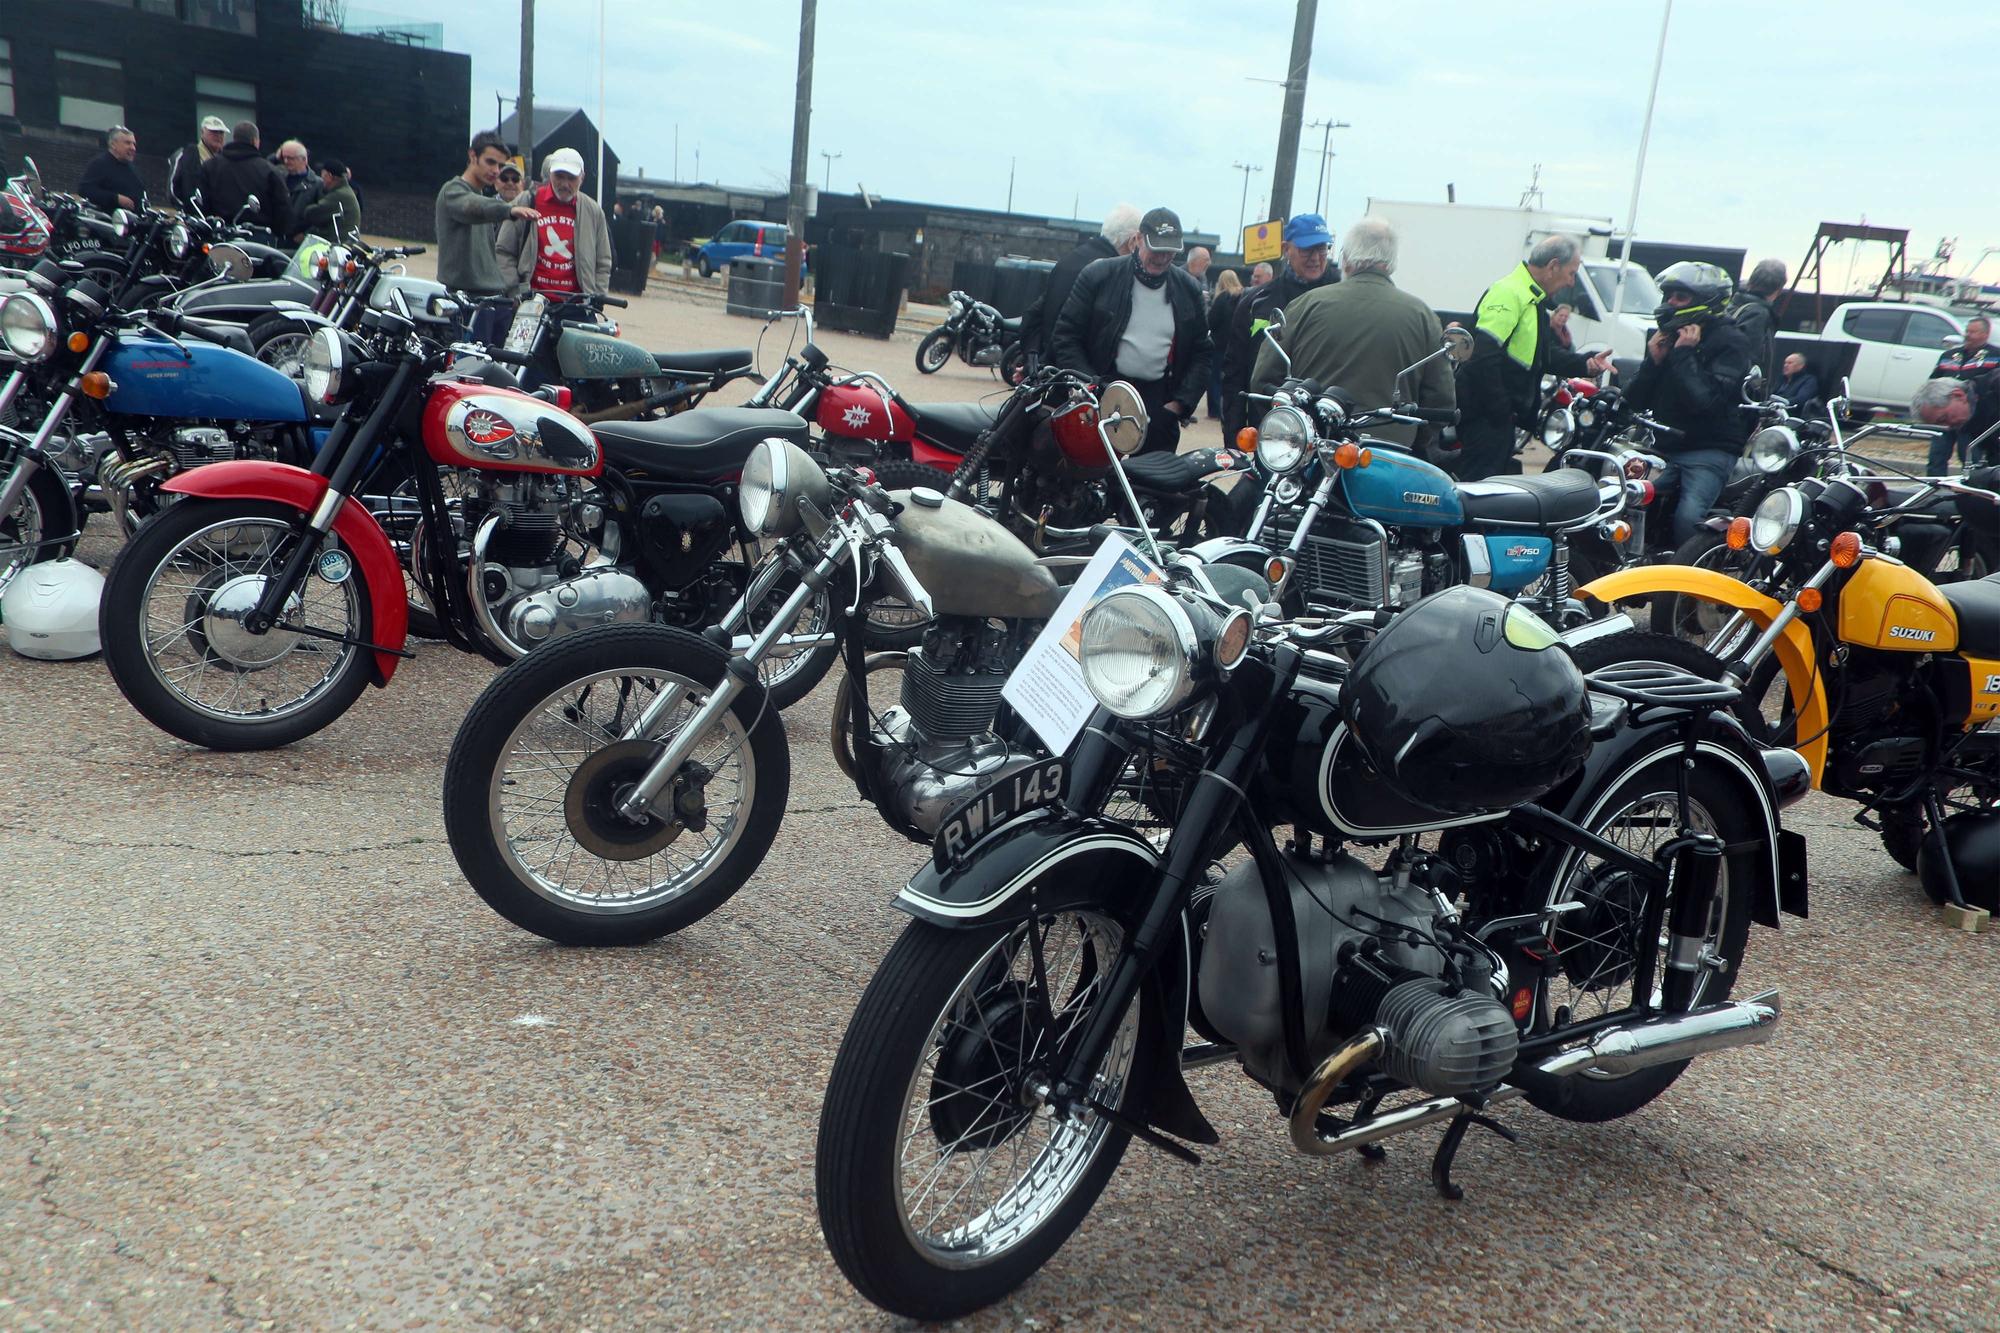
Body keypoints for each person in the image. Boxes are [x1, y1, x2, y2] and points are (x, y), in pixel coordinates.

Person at [1248, 218, 1455, 452]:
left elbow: (1263, 380)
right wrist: (1411, 442)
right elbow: (1441, 402)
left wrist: (1290, 430)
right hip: (1388, 454)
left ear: (1345, 259)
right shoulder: (1423, 316)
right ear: (1392, 263)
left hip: (1310, 452)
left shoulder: (1305, 305)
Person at [1450, 234, 1614, 481]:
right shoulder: (1509, 293)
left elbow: (1542, 356)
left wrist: (1585, 364)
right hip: (1486, 419)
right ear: (1553, 266)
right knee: (1478, 494)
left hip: (1498, 420)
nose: (1571, 283)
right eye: (1571, 273)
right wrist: (1502, 411)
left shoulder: (1532, 298)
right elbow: (1483, 356)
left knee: (1490, 493)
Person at [1050, 206, 1212, 455]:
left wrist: (1179, 405)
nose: (1162, 257)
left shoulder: (1188, 289)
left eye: (1169, 251)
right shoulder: (1099, 275)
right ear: (1137, 239)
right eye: (1156, 249)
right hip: (1103, 391)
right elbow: (1066, 334)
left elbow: (1202, 352)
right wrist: (1089, 386)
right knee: (1088, 482)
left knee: (1150, 489)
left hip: (1158, 403)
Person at [1623, 262, 1754, 544]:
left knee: (1688, 517)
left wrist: (1683, 355)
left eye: (1680, 297)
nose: (1670, 303)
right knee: (1626, 498)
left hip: (1708, 450)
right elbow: (1634, 400)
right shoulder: (1669, 337)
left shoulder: (1731, 342)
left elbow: (1705, 403)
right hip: (1663, 448)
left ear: (1706, 301)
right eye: (1668, 296)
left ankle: (1687, 580)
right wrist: (1654, 363)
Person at [1220, 214, 1342, 444]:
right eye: (1307, 250)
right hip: (1268, 426)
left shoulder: (1343, 300)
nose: (1316, 258)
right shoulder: (1257, 301)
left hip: (1325, 431)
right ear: (1286, 249)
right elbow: (1234, 373)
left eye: (1322, 249)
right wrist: (1234, 435)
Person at [436, 131, 538, 340]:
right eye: (490, 162)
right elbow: (472, 206)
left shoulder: (482, 198)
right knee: (470, 367)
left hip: (494, 300)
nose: (495, 171)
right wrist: (509, 209)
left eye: (499, 165)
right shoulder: (453, 191)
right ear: (473, 156)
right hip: (467, 300)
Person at [1018, 203, 1141, 368]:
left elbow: (1033, 316)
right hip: (1080, 376)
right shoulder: (1109, 274)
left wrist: (1032, 362)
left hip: (1050, 371)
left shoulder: (1069, 259)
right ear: (1133, 241)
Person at [497, 147, 612, 298]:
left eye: (571, 178)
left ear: (582, 177)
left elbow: (603, 261)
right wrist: (514, 290)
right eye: (559, 176)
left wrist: (597, 297)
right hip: (530, 301)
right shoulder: (527, 201)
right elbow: (504, 251)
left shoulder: (593, 211)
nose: (564, 184)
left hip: (577, 304)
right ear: (550, 173)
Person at [199, 121, 290, 235]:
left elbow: (202, 202)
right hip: (258, 239)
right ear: (255, 141)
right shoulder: (269, 171)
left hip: (219, 236)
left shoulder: (209, 166)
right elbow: (283, 210)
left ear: (234, 139)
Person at [1914, 372, 1999, 472]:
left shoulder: (1996, 385)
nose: (1947, 426)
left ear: (1958, 395)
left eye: (1943, 419)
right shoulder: (1970, 422)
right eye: (1939, 425)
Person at [1727, 258, 1786, 378]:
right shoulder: (1759, 314)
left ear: (1751, 282)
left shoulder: (1732, 305)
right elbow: (1748, 358)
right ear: (1779, 289)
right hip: (1740, 392)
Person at [76, 126, 146, 213]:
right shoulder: (100, 164)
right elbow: (85, 189)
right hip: (105, 221)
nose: (133, 148)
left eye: (134, 144)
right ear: (113, 144)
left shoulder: (134, 170)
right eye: (128, 143)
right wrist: (116, 198)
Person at [1205, 268, 1244, 422]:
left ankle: (1214, 410)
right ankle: (1230, 410)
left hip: (1219, 344)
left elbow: (1211, 321)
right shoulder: (1243, 296)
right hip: (1236, 344)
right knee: (1233, 378)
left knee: (1214, 378)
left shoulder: (1222, 298)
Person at [171, 115, 227, 208]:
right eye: (213, 131)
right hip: (192, 217)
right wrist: (187, 210)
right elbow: (172, 189)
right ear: (202, 132)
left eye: (221, 132)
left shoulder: (226, 160)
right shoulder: (185, 154)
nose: (218, 135)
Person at [298, 158, 360, 242]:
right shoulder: (345, 191)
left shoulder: (339, 195)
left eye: (323, 175)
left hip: (336, 247)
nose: (321, 178)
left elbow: (311, 213)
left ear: (330, 176)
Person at [277, 139, 321, 239]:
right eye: (284, 157)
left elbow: (322, 216)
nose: (286, 161)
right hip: (276, 237)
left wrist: (306, 235)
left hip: (298, 243)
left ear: (304, 159)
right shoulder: (278, 178)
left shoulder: (317, 185)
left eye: (291, 158)